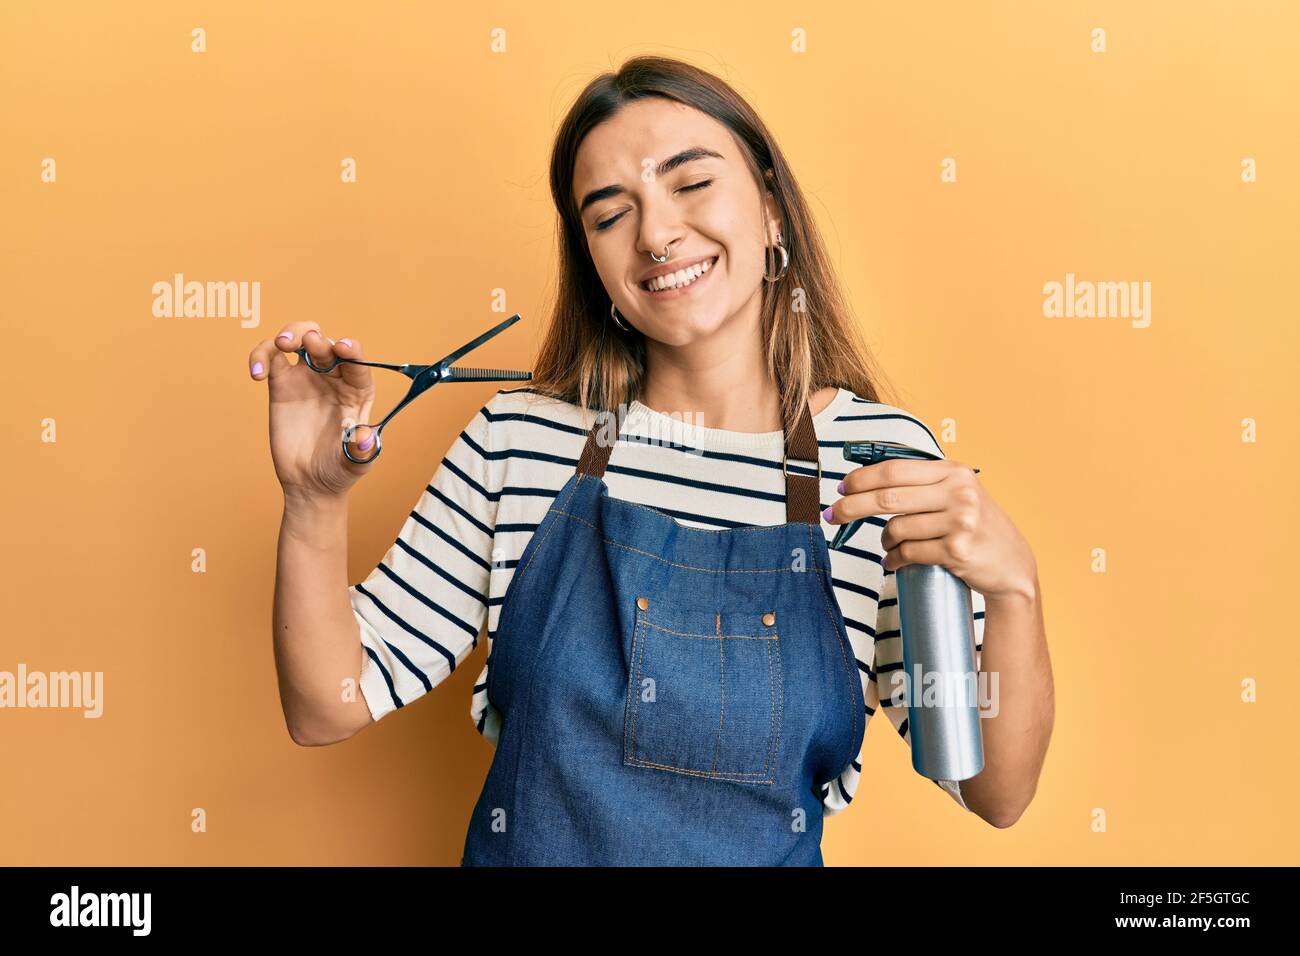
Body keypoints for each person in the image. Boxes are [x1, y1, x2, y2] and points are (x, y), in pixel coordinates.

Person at [248, 56, 1053, 866]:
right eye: (609, 215)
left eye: (690, 183)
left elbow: (996, 790)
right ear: (593, 261)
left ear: (773, 210)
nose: (657, 234)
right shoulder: (517, 443)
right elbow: (326, 707)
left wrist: (1016, 589)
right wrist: (315, 501)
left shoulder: (878, 464)